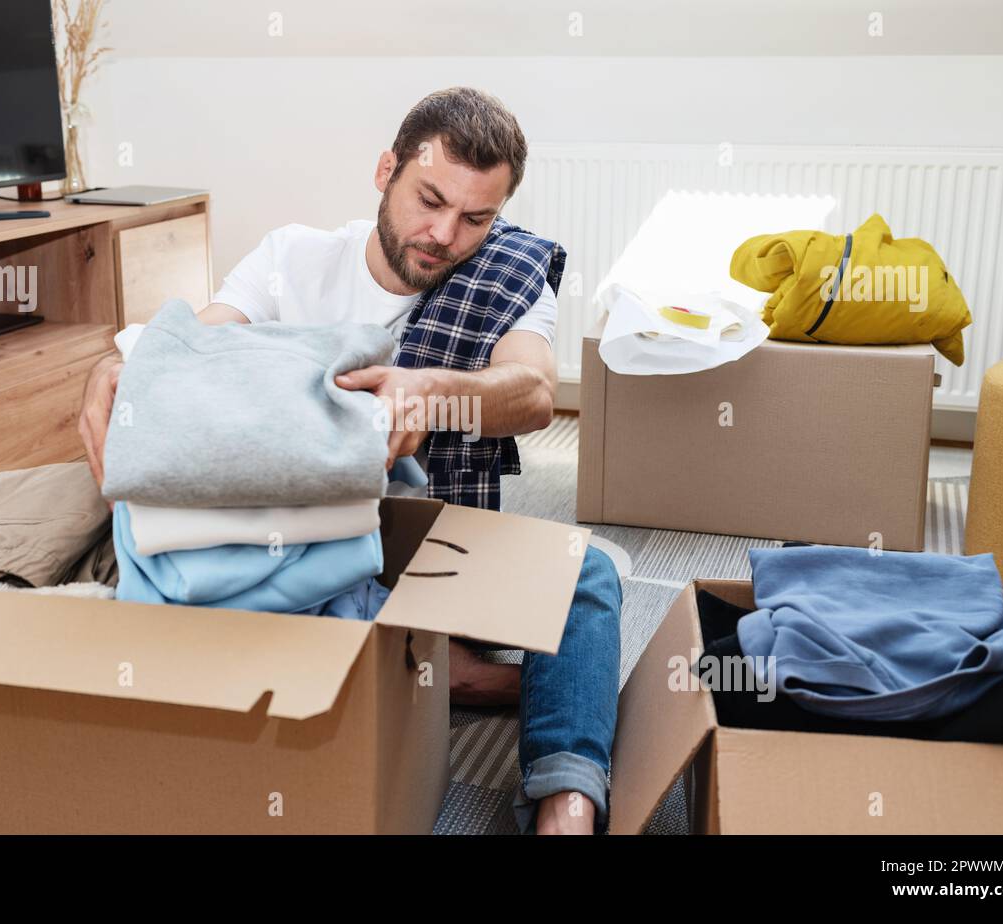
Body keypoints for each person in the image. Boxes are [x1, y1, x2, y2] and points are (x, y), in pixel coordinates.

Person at [79, 87, 621, 834]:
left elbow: (530, 392)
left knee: (584, 574)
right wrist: (123, 364)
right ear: (385, 171)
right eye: (429, 199)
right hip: (297, 528)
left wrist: (428, 391)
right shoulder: (292, 258)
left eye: (475, 218)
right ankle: (450, 670)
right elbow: (196, 349)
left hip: (417, 531)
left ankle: (565, 802)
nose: (444, 234)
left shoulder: (507, 280)